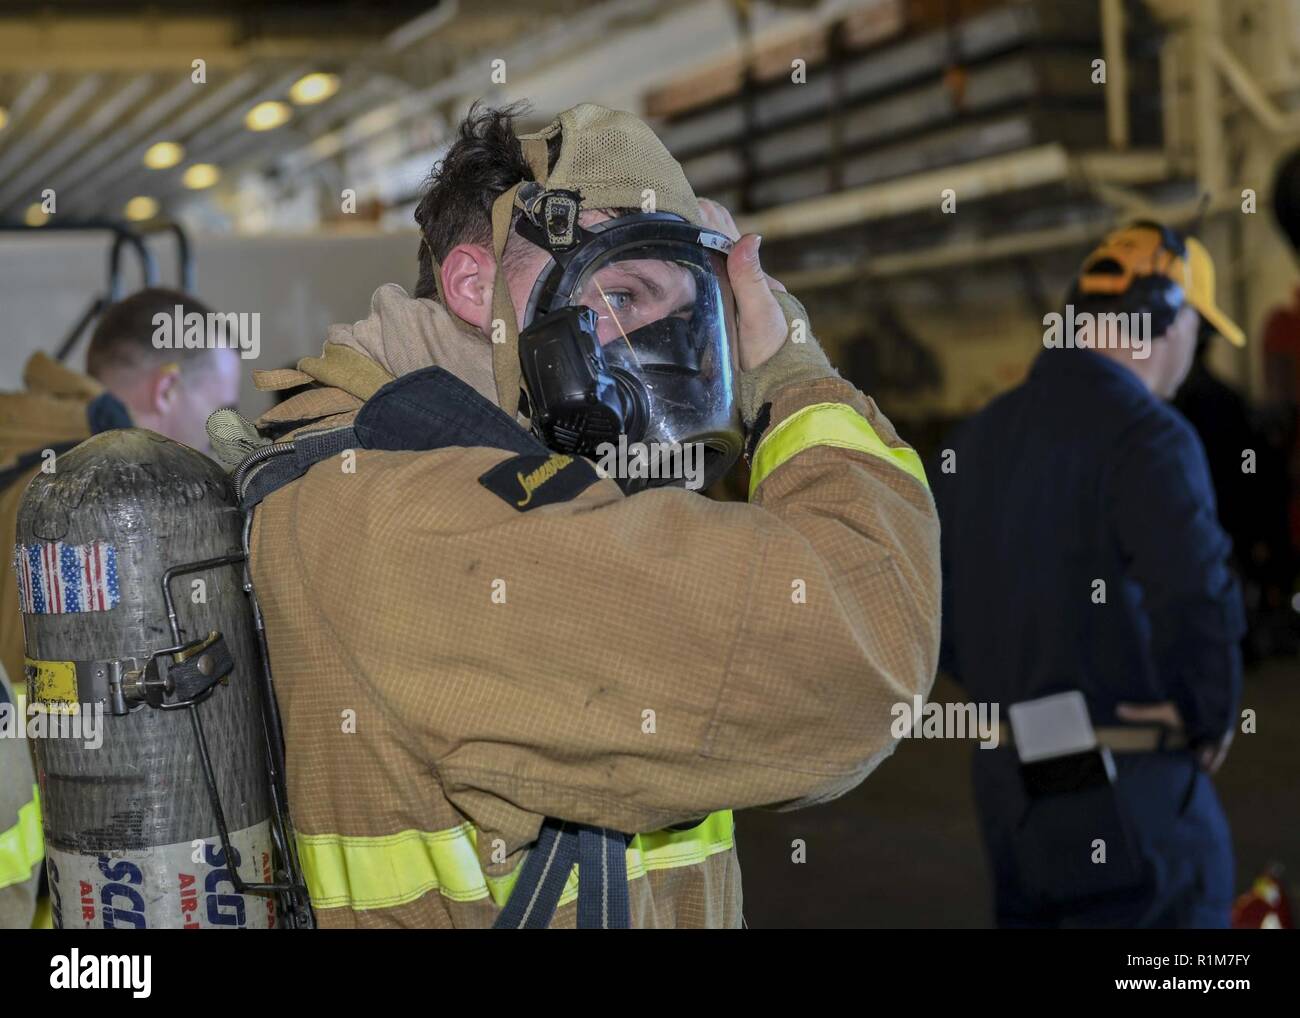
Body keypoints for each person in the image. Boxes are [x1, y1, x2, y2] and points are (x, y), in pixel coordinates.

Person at [211, 102, 941, 928]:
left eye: (683, 311)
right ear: (473, 285)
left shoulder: (421, 469)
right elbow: (865, 655)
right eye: (624, 292)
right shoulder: (427, 517)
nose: (653, 345)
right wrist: (793, 374)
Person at [933, 221, 1247, 928]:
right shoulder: (1149, 434)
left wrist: (1018, 694)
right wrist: (1205, 709)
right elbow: (1196, 591)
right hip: (1129, 779)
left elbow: (935, 613)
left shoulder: (974, 439)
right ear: (1173, 319)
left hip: (1011, 782)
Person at [0, 287, 240, 929]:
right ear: (166, 390)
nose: (223, 433)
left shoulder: (19, 437)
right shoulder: (95, 510)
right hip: (81, 865)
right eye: (220, 407)